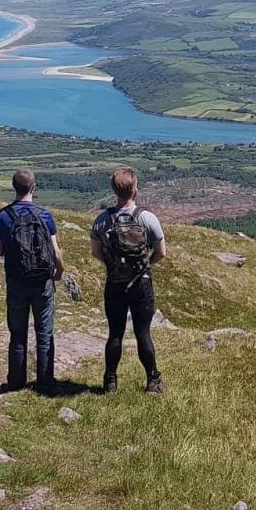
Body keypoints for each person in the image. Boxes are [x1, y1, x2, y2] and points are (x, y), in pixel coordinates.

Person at [90, 167, 166, 394]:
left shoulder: (103, 220)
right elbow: (161, 252)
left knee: (115, 333)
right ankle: (153, 381)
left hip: (115, 283)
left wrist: (113, 266)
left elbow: (95, 252)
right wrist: (145, 266)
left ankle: (110, 382)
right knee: (143, 333)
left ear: (114, 190)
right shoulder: (146, 218)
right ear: (135, 190)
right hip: (141, 283)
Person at [0, 169, 63, 393]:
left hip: (16, 281)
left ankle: (15, 381)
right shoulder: (45, 216)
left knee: (17, 333)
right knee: (44, 332)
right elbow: (55, 252)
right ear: (34, 187)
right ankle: (45, 381)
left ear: (14, 187)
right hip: (42, 281)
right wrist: (59, 272)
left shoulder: (3, 216)